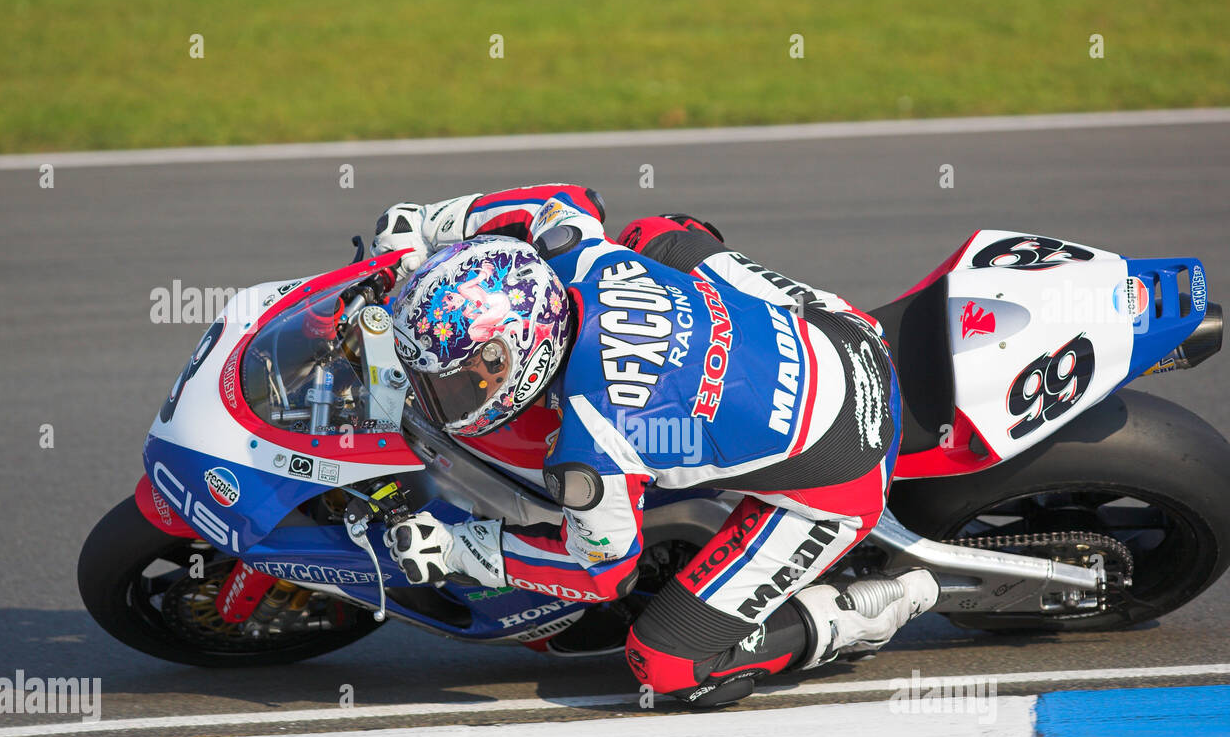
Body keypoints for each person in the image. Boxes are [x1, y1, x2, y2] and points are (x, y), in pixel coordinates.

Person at [371, 185, 937, 708]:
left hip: (846, 465)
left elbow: (602, 573)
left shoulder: (594, 443)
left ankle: (848, 617)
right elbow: (560, 200)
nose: (439, 395)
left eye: (457, 381)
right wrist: (425, 224)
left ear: (518, 355)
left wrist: (456, 550)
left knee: (666, 663)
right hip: (842, 330)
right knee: (652, 235)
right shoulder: (586, 260)